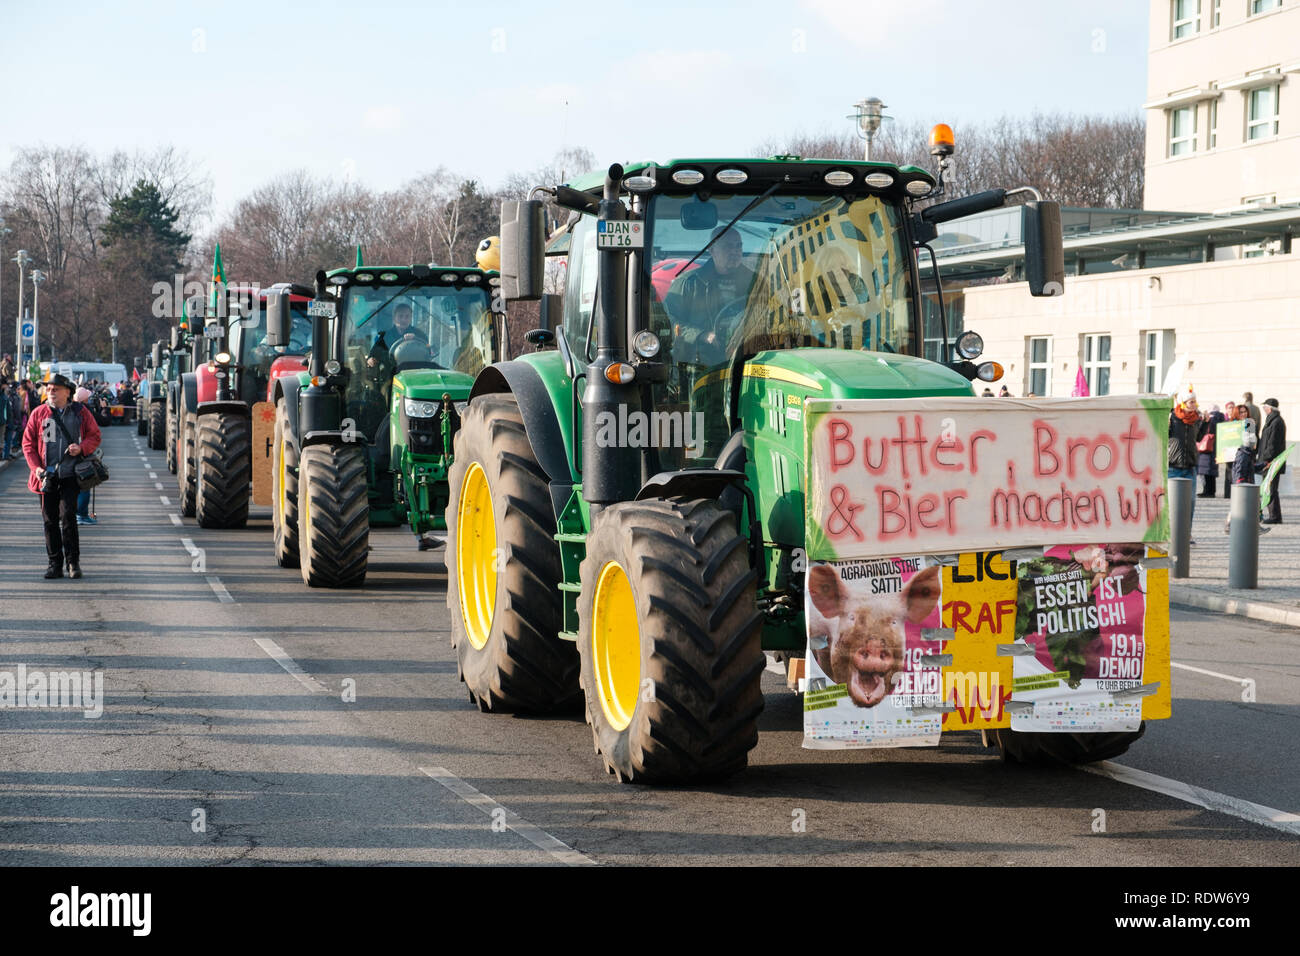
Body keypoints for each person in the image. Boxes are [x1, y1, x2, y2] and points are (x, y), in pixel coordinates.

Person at [22, 373, 102, 579]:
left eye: (55, 389)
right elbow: (28, 444)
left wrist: (82, 448)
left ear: (68, 392)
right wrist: (36, 469)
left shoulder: (80, 413)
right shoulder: (39, 413)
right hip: (45, 476)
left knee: (68, 518)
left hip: (70, 474)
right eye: (48, 389)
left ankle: (73, 564)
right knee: (49, 521)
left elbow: (95, 436)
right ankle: (54, 564)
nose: (51, 392)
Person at [663, 225, 757, 364]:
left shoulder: (756, 282)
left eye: (738, 246)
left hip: (747, 358)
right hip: (701, 361)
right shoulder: (688, 283)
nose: (734, 251)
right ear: (712, 250)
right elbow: (669, 321)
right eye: (728, 246)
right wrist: (701, 335)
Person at [1168, 387, 1200, 533]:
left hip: (1190, 467)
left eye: (1194, 401)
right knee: (1171, 503)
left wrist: (1205, 424)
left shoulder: (1196, 419)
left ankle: (1187, 533)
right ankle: (1171, 533)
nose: (1194, 404)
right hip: (1173, 467)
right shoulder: (1172, 417)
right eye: (1190, 401)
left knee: (1190, 502)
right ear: (1183, 402)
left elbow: (1198, 438)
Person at [1257, 398, 1286, 524]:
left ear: (1270, 408)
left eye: (1265, 407)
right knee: (1268, 488)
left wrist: (1266, 460)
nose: (1263, 409)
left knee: (1271, 488)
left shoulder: (1276, 422)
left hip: (1271, 462)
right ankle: (1273, 515)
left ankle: (1275, 516)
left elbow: (1273, 444)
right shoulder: (1272, 420)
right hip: (1268, 461)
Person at [72, 387, 97, 524]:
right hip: (82, 452)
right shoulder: (85, 411)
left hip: (74, 450)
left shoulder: (70, 409)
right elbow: (100, 426)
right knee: (84, 483)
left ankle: (72, 514)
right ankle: (81, 515)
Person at [1197, 405, 1223, 498]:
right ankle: (1212, 491)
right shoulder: (1221, 419)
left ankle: (1207, 491)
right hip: (1215, 448)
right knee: (1212, 472)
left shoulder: (1211, 420)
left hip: (1207, 448)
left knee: (1206, 472)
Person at [1221, 401, 1236, 498]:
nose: (1231, 409)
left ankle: (1234, 492)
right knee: (1228, 470)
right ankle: (1227, 493)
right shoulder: (1224, 420)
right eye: (1229, 407)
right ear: (1226, 409)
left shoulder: (1236, 420)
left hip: (1235, 449)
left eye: (1232, 407)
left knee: (1235, 471)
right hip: (1227, 450)